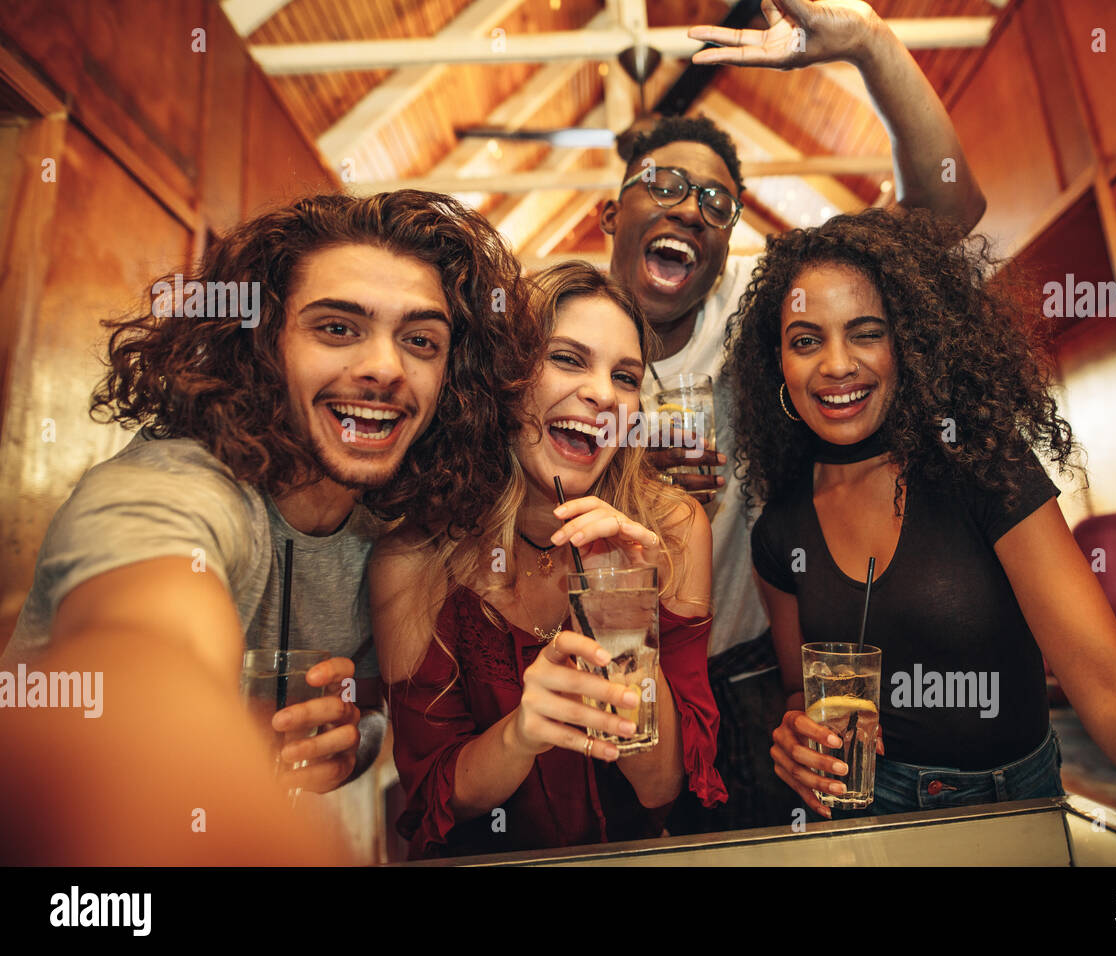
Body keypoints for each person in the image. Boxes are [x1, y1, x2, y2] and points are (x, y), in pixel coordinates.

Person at [727, 209, 1116, 865]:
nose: (835, 364)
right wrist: (797, 735)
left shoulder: (979, 469)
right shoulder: (778, 531)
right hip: (864, 829)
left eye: (866, 333)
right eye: (805, 340)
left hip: (1014, 812)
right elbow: (806, 690)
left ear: (909, 345)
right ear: (776, 361)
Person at [598, 0, 987, 831]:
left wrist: (872, 46)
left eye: (715, 198)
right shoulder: (554, 333)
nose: (689, 206)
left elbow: (949, 215)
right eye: (661, 182)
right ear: (610, 217)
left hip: (742, 678)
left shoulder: (762, 310)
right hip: (602, 667)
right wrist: (625, 471)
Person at [3, 190, 531, 795]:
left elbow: (363, 710)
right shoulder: (164, 491)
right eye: (337, 328)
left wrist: (345, 743)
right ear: (260, 346)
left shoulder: (388, 525)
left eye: (420, 341)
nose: (386, 368)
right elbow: (149, 638)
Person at [372, 262, 724, 858]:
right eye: (567, 358)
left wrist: (623, 608)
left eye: (626, 376)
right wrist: (521, 733)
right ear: (503, 378)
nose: (603, 393)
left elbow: (661, 789)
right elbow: (435, 797)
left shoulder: (673, 530)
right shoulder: (414, 559)